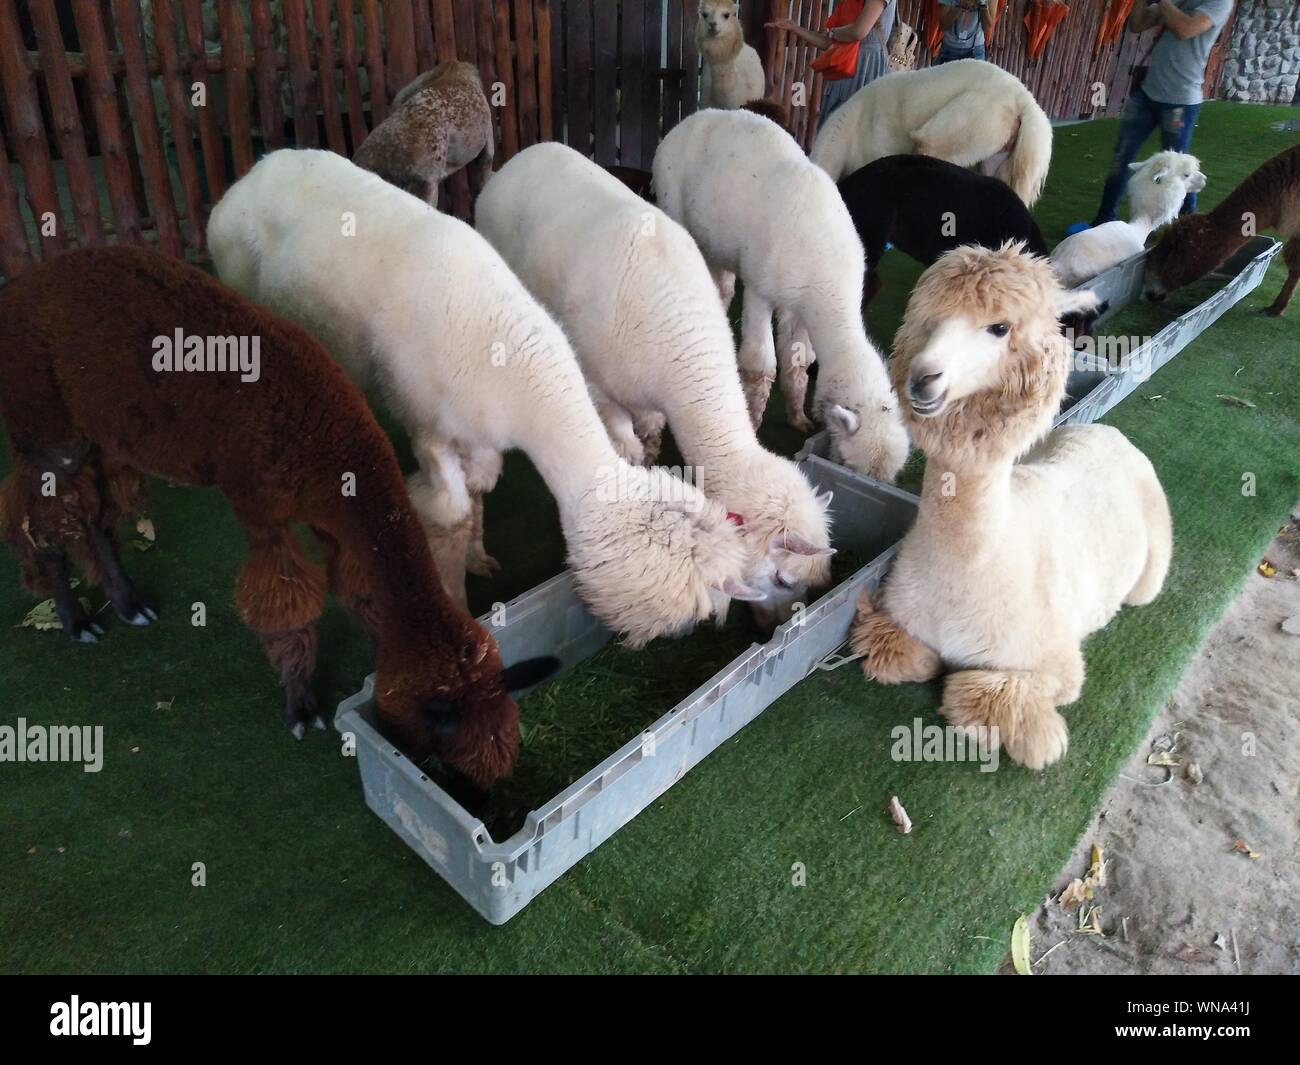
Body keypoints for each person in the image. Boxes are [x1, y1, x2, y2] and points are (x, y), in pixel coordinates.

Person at [1093, 0, 1236, 225]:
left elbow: (1185, 29)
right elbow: (1137, 24)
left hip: (1180, 102)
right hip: (1147, 95)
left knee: (1182, 169)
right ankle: (1103, 219)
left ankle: (1186, 224)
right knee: (1121, 157)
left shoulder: (1220, 1)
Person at [767, 1, 896, 121]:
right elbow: (830, 42)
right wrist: (795, 28)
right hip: (845, 74)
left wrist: (833, 33)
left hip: (866, 70)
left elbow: (858, 31)